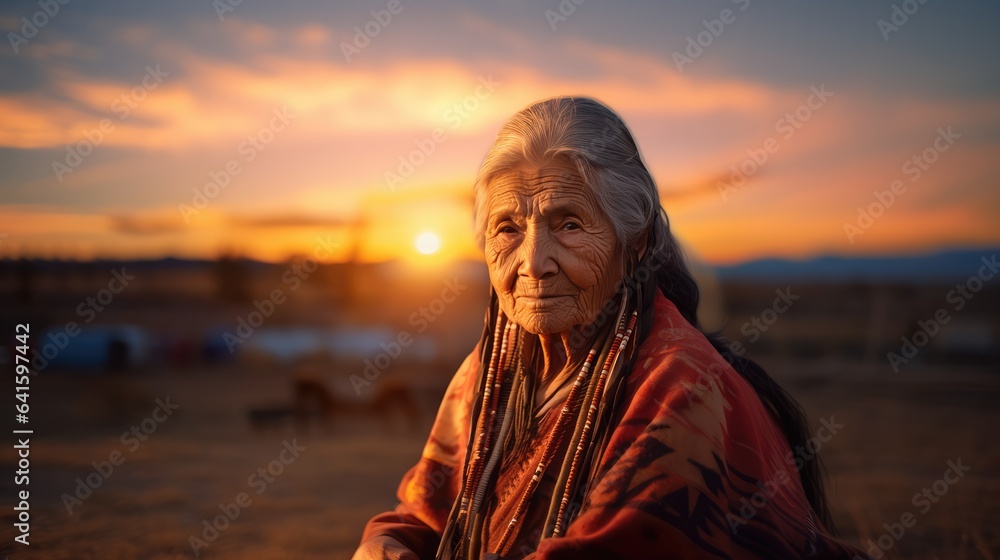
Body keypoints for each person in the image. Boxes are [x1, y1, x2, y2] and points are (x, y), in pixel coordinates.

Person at [353, 97, 864, 559]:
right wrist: (386, 544)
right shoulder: (487, 374)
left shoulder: (683, 387)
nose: (534, 262)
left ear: (635, 243)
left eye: (570, 224)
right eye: (507, 228)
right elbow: (428, 513)